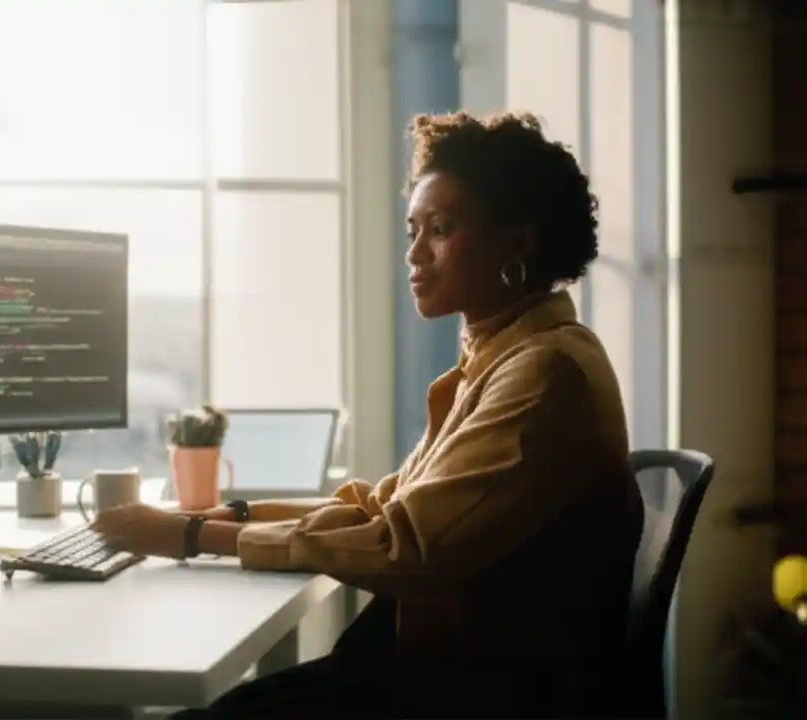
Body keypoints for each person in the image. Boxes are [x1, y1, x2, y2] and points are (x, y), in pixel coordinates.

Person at [93, 111, 643, 719]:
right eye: (413, 230)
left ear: (517, 242)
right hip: (438, 676)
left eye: (441, 229)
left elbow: (402, 545)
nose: (415, 253)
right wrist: (219, 517)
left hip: (471, 698)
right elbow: (382, 507)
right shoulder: (507, 354)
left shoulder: (542, 372)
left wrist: (191, 538)